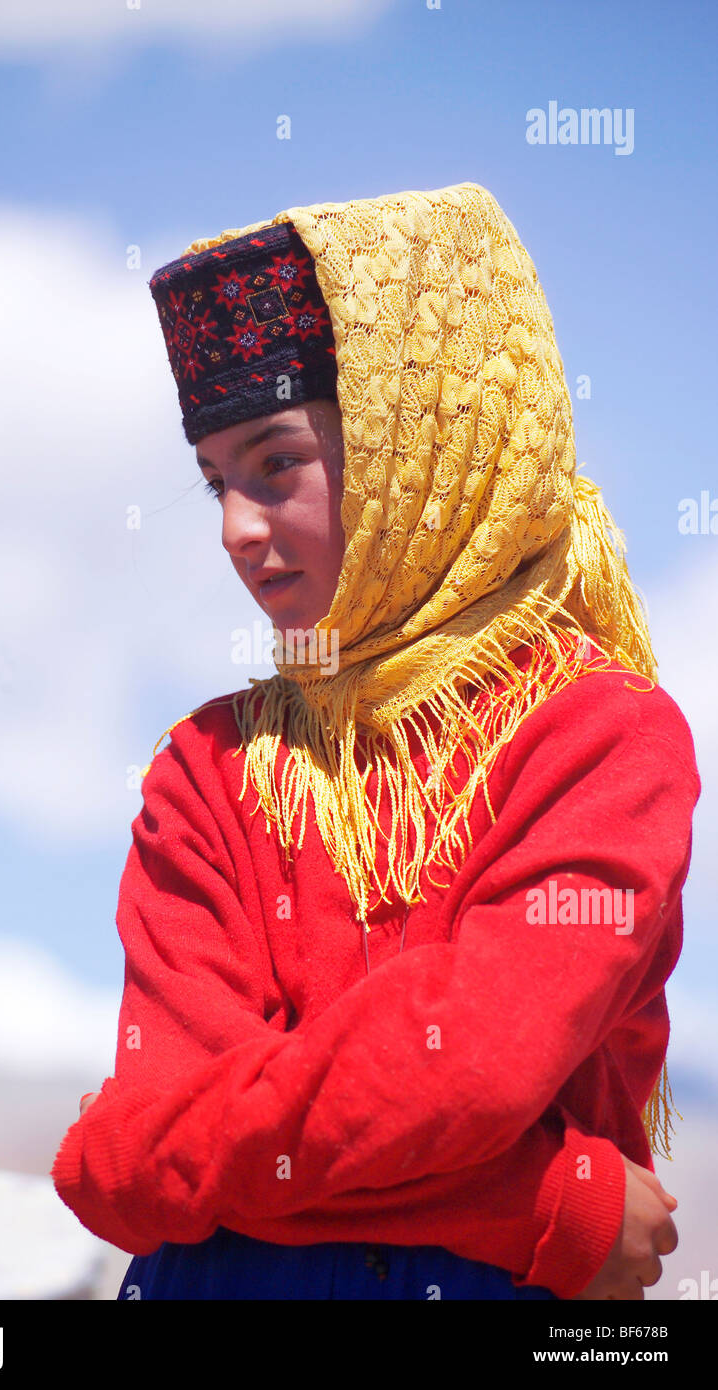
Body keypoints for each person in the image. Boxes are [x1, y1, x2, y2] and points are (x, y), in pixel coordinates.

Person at [51, 183, 699, 1300]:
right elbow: (139, 1163)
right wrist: (540, 1202)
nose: (234, 532)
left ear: (422, 440)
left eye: (274, 464)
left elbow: (471, 1073)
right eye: (212, 481)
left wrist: (152, 1148)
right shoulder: (206, 773)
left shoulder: (600, 740)